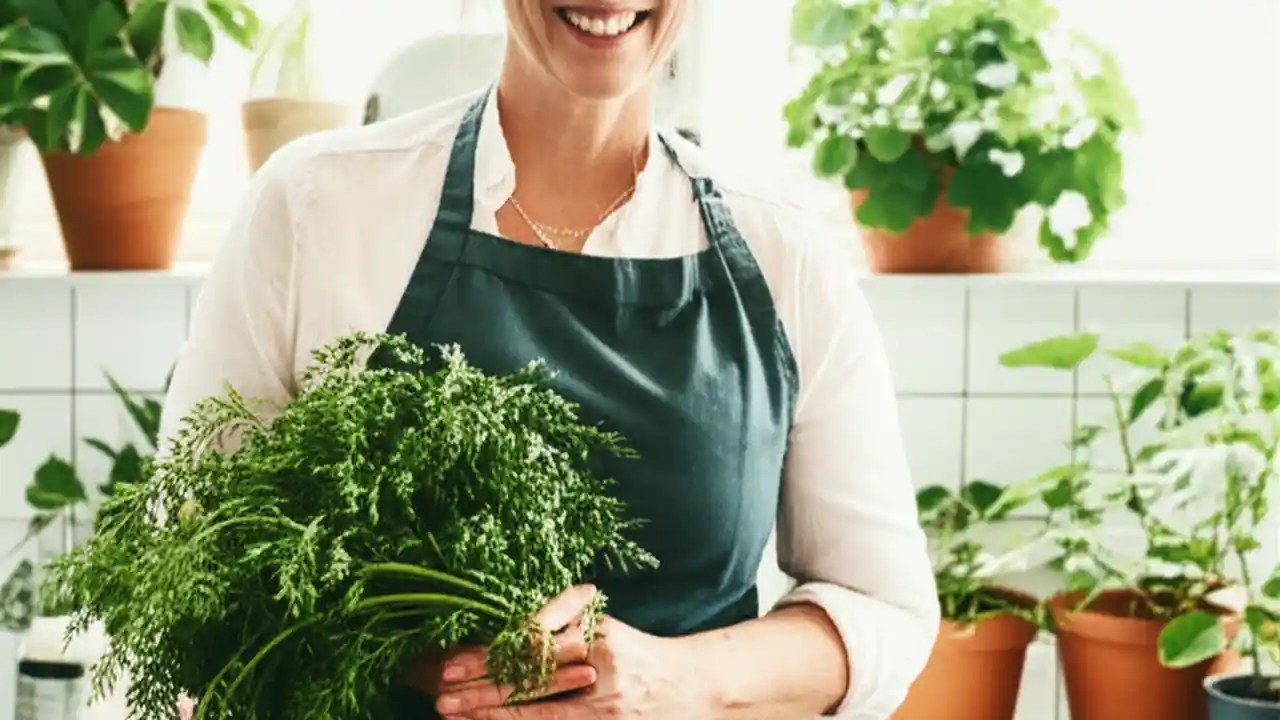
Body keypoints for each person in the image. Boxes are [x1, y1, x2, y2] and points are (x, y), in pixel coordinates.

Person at [161, 1, 940, 718]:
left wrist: (677, 678)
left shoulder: (787, 254)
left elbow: (883, 610)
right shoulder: (317, 206)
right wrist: (404, 646)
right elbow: (192, 569)